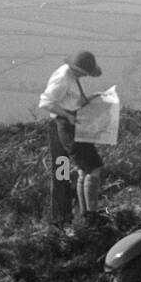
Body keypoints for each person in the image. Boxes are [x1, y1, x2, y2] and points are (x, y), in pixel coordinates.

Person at [38, 50, 105, 229]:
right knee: (63, 173)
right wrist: (66, 115)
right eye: (84, 72)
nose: (84, 76)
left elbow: (72, 100)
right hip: (62, 127)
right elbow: (46, 102)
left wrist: (90, 99)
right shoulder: (63, 77)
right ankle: (62, 219)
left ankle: (69, 218)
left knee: (68, 172)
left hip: (68, 125)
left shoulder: (72, 77)